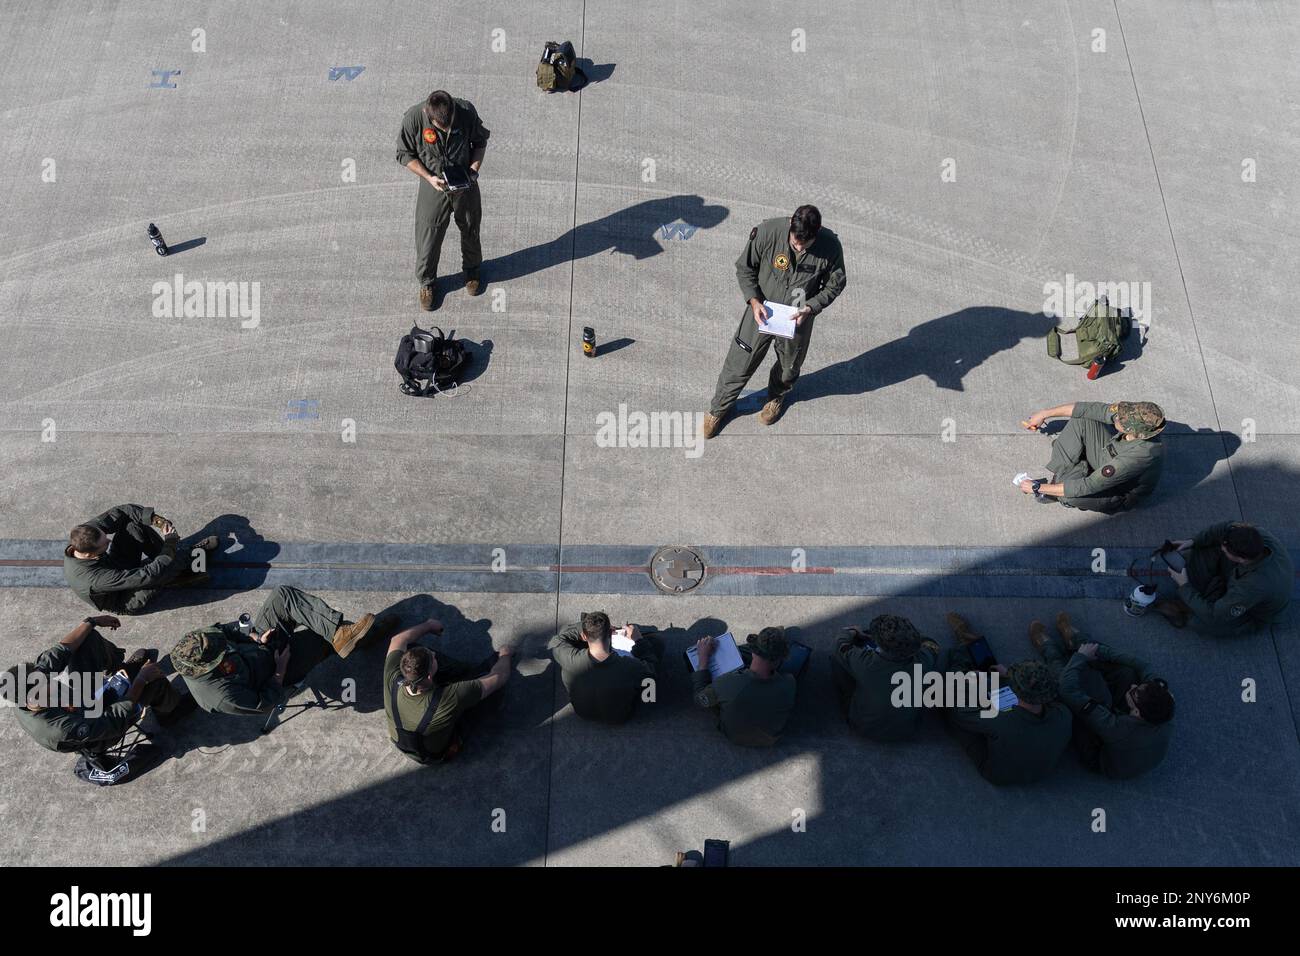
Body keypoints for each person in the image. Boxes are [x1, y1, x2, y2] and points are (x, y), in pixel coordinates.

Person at [704, 205, 847, 437]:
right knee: (740, 361)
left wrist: (811, 307)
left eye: (805, 245)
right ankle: (718, 409)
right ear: (790, 223)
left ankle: (776, 397)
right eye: (795, 242)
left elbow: (836, 283)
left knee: (789, 366)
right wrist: (753, 300)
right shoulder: (768, 232)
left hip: (798, 317)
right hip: (762, 309)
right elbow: (745, 267)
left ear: (817, 232)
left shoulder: (830, 246)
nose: (799, 247)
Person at [170, 585, 378, 716]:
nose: (222, 648)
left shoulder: (197, 642)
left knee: (283, 596)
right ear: (206, 667)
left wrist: (253, 637)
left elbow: (223, 631)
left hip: (258, 646)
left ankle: (341, 634)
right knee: (320, 637)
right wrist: (280, 669)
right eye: (219, 653)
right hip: (275, 672)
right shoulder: (223, 696)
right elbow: (263, 704)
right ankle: (367, 638)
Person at [9, 615, 190, 765]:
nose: (47, 677)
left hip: (83, 703)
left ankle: (121, 670)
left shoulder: (29, 689)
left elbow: (60, 652)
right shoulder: (59, 728)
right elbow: (112, 722)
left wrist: (91, 622)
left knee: (87, 640)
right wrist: (142, 680)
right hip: (98, 732)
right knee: (154, 684)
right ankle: (171, 712)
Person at [1031, 613, 1173, 778]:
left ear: (1137, 713)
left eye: (1135, 692)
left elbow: (1067, 690)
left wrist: (1080, 658)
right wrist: (1101, 651)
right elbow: (1143, 665)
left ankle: (1050, 651)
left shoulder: (1118, 728)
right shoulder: (1166, 706)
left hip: (1101, 757)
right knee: (1127, 672)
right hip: (1128, 740)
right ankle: (1078, 642)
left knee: (1081, 696)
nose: (1134, 686)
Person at [942, 612, 1071, 785]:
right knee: (993, 680)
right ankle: (973, 646)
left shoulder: (999, 719)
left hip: (998, 773)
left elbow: (961, 715)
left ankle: (965, 647)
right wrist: (1007, 678)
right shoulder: (1063, 715)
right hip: (1040, 771)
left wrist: (969, 680)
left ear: (1014, 689)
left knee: (951, 699)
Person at [395, 89, 491, 310]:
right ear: (430, 117)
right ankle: (427, 282)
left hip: (464, 183)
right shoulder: (414, 119)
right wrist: (429, 178)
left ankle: (472, 270)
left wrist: (473, 171)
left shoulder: (466, 111)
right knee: (427, 234)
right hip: (434, 184)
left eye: (450, 126)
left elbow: (480, 142)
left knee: (470, 227)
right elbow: (404, 154)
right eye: (442, 128)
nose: (447, 130)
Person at [383, 617, 512, 763]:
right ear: (430, 675)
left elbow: (397, 640)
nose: (434, 654)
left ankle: (459, 672)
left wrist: (429, 625)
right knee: (489, 676)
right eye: (433, 658)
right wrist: (505, 654)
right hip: (441, 753)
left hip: (405, 744)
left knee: (410, 646)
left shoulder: (393, 677)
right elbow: (500, 677)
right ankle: (468, 672)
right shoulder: (451, 696)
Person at [63, 504, 218, 614]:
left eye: (106, 537)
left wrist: (157, 521)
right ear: (90, 555)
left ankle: (171, 560)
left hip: (114, 568)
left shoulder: (84, 535)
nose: (109, 541)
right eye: (105, 543)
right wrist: (170, 542)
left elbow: (120, 513)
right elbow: (148, 574)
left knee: (133, 526)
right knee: (159, 571)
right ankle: (187, 565)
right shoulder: (96, 579)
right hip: (124, 598)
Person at [1015, 401, 1165, 511]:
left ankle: (1059, 489)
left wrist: (1038, 487)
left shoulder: (1141, 455)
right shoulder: (1130, 413)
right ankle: (1067, 472)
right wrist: (1044, 414)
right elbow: (1085, 410)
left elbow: (1091, 485)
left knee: (1070, 495)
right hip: (1109, 455)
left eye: (1121, 420)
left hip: (1118, 490)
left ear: (1134, 431)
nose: (1116, 417)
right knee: (1082, 419)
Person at [1152, 521, 1293, 635]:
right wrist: (1193, 541)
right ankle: (1209, 594)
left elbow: (1214, 615)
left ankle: (1187, 608)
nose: (1222, 548)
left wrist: (1184, 586)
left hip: (1253, 613)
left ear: (1241, 559)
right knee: (1203, 548)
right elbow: (1224, 528)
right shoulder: (1256, 536)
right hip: (1243, 579)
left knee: (1202, 623)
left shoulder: (1253, 586)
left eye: (1226, 551)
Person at [830, 614, 940, 741]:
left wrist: (853, 631)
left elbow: (839, 643)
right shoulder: (925, 660)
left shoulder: (863, 662)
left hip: (863, 727)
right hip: (909, 730)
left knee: (837, 660)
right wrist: (908, 637)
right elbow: (931, 644)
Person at [548, 612, 664, 723]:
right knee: (657, 642)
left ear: (583, 635)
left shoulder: (568, 657)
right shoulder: (630, 667)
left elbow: (559, 639)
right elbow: (651, 671)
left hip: (583, 712)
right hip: (619, 717)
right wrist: (638, 640)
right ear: (610, 634)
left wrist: (586, 628)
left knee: (567, 633)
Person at [692, 627, 797, 747]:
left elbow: (699, 699)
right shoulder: (790, 683)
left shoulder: (727, 683)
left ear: (753, 651)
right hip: (770, 738)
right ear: (780, 660)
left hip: (733, 735)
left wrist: (703, 659)